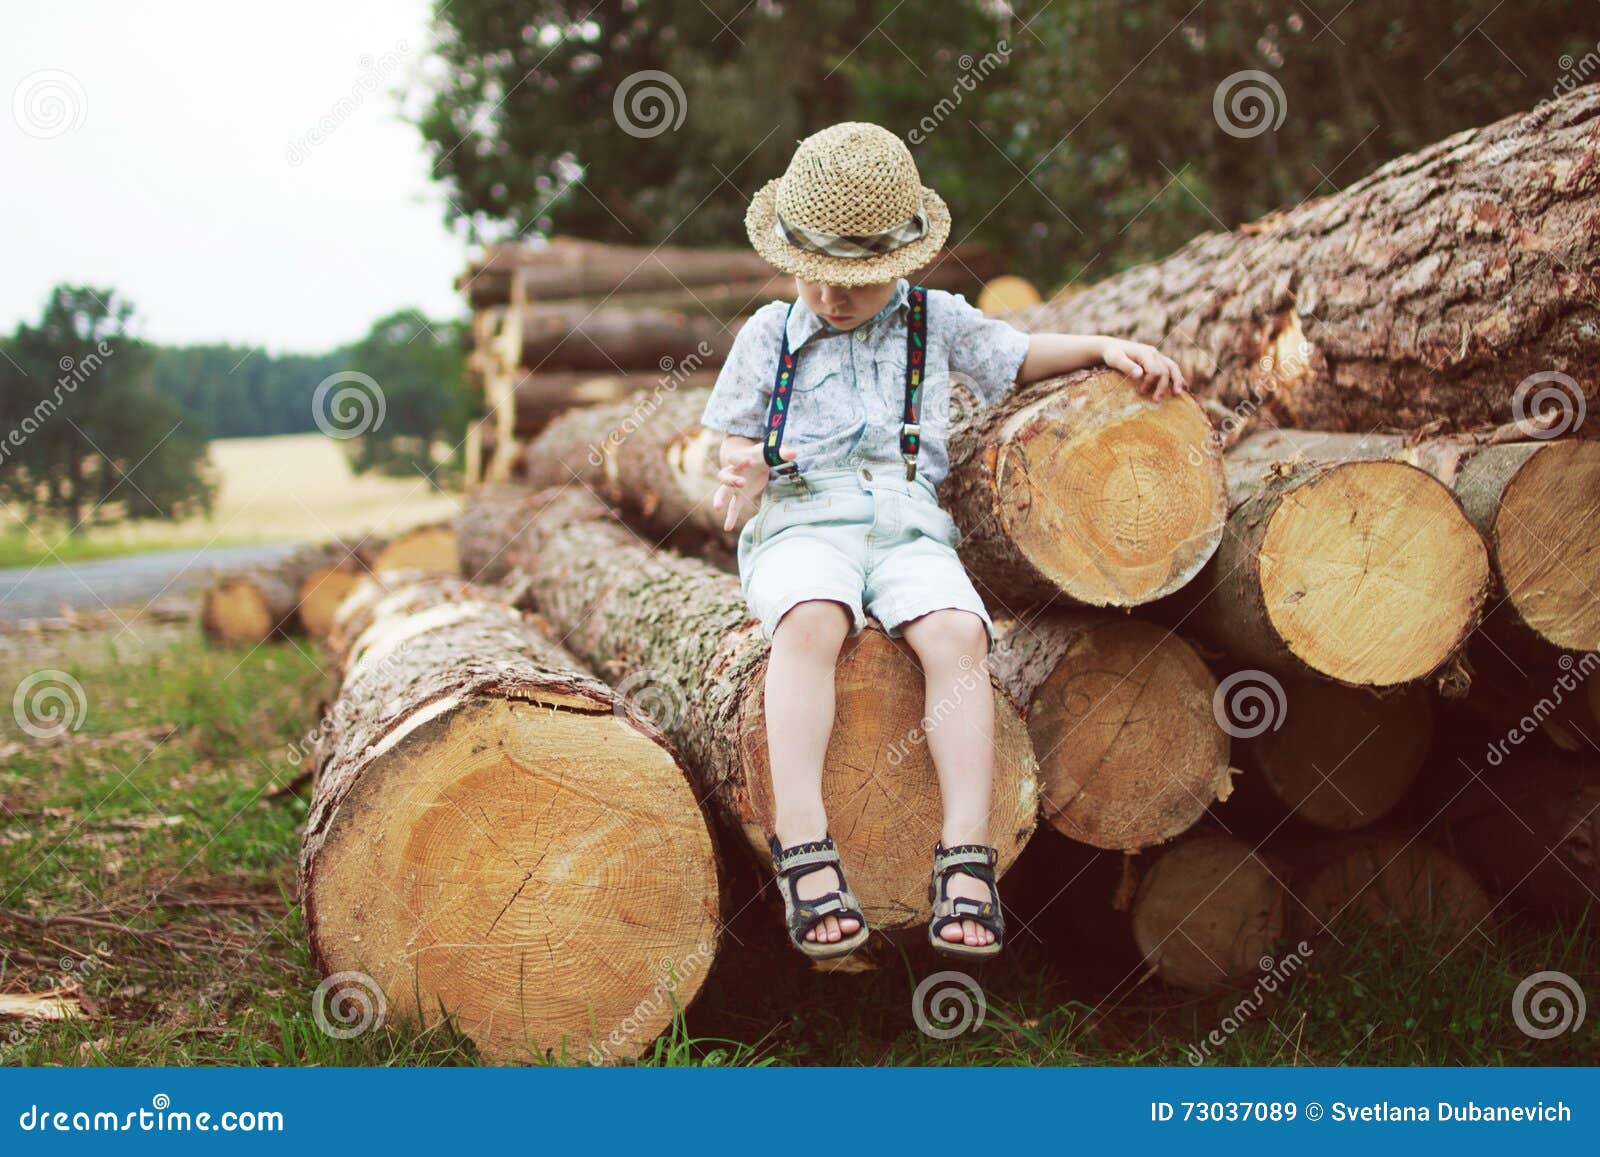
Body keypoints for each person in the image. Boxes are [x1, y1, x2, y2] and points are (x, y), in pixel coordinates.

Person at [700, 122, 1184, 960]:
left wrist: (1105, 345)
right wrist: (740, 470)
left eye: (858, 279)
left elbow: (1020, 354)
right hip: (803, 518)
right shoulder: (766, 335)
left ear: (905, 262)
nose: (834, 298)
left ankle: (967, 852)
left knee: (959, 634)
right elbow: (731, 443)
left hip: (905, 523)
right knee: (810, 617)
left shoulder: (938, 320)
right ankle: (805, 840)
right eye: (817, 276)